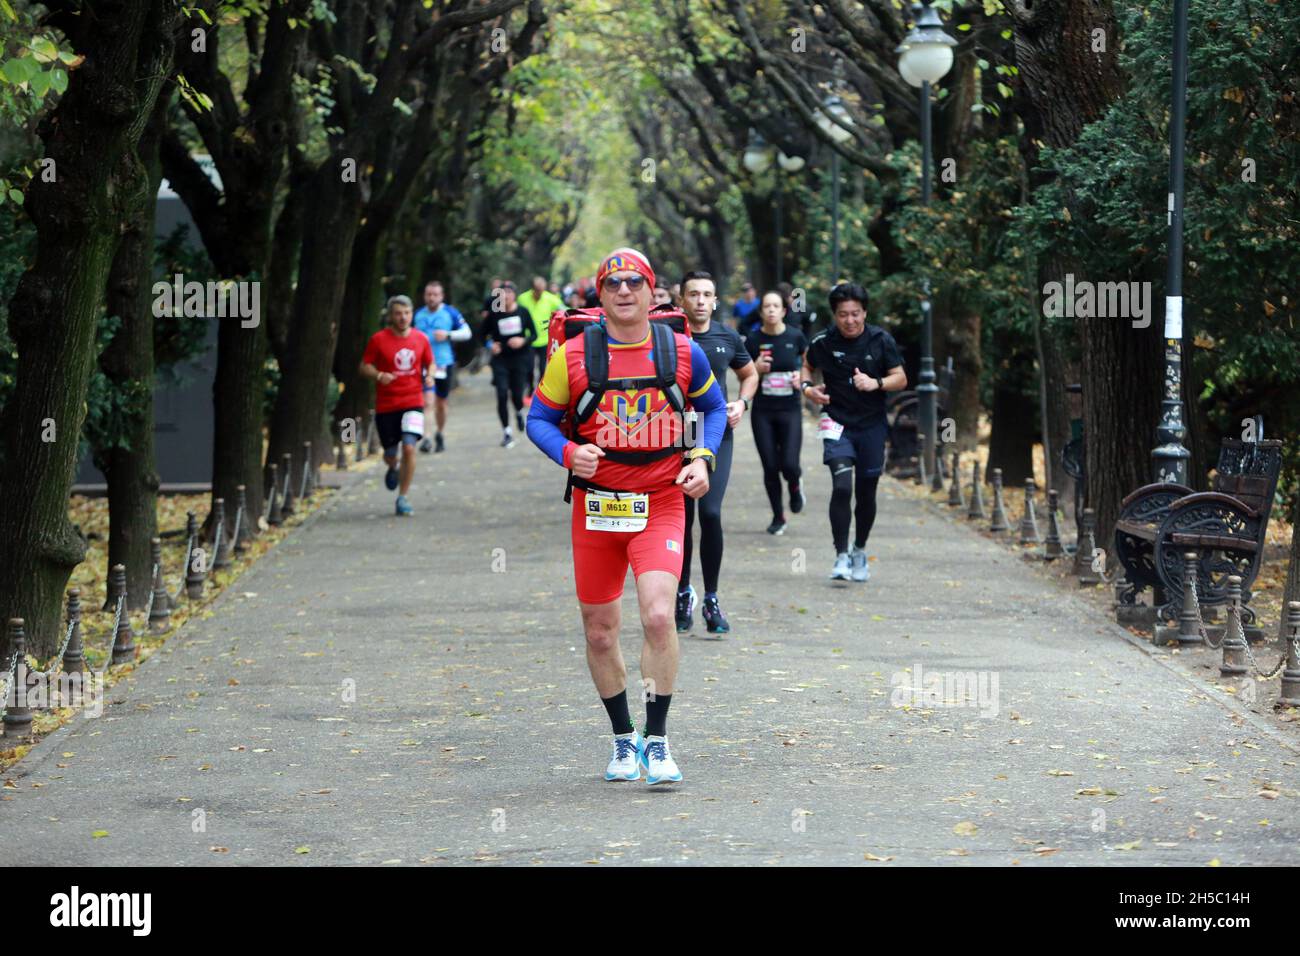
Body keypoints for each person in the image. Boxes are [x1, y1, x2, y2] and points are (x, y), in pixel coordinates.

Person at [526, 247, 725, 785]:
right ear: (601, 292)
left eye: (634, 282)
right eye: (613, 283)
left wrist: (702, 457)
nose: (623, 291)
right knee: (599, 631)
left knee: (659, 616)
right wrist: (569, 454)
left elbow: (712, 407)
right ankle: (622, 738)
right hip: (596, 507)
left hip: (661, 500)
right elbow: (538, 420)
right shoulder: (571, 356)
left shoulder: (682, 351)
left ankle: (657, 742)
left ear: (651, 289)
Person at [801, 282, 906, 581]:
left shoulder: (880, 340)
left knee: (866, 492)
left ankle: (860, 549)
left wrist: (877, 383)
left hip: (872, 426)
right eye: (843, 314)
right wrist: (809, 390)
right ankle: (841, 555)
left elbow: (900, 377)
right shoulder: (823, 341)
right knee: (842, 487)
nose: (850, 321)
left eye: (856, 314)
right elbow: (806, 367)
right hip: (837, 423)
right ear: (834, 315)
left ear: (865, 313)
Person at [675, 269, 756, 635]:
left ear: (716, 301)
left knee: (709, 512)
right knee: (680, 518)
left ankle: (711, 597)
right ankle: (681, 592)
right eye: (693, 294)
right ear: (682, 300)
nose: (701, 301)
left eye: (707, 294)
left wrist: (742, 404)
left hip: (715, 433)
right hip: (675, 437)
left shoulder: (727, 335)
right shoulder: (668, 335)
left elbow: (749, 374)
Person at [360, 295, 435, 516]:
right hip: (387, 405)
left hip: (413, 401)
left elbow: (430, 363)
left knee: (410, 447)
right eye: (398, 313)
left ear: (412, 314)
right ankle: (392, 466)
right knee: (391, 454)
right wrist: (379, 374)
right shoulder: (378, 340)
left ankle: (403, 497)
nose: (402, 318)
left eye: (406, 313)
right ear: (391, 316)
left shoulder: (421, 339)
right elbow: (364, 367)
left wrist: (429, 376)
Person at [746, 290, 808, 535]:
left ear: (784, 310)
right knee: (770, 466)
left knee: (790, 464)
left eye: (776, 306)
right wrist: (756, 369)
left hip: (790, 409)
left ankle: (794, 485)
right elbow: (744, 374)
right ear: (761, 312)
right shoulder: (753, 340)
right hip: (763, 412)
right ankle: (778, 516)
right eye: (767, 306)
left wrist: (800, 378)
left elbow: (809, 365)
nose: (771, 310)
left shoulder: (796, 336)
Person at [413, 280, 471, 453]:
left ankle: (440, 432)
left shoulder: (450, 313)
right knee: (427, 401)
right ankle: (426, 438)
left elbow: (467, 333)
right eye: (428, 294)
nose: (431, 298)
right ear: (424, 296)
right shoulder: (417, 315)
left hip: (443, 363)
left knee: (441, 403)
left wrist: (448, 335)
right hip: (422, 365)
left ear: (441, 296)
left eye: (435, 294)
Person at [480, 280, 535, 447]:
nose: (506, 297)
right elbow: (481, 335)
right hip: (500, 360)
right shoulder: (494, 313)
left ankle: (518, 411)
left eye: (509, 293)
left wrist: (522, 340)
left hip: (519, 358)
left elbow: (533, 334)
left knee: (517, 395)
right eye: (502, 294)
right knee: (502, 394)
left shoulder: (523, 312)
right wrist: (491, 345)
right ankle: (507, 432)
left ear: (514, 295)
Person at [517, 275, 565, 400]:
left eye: (541, 290)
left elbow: (564, 310)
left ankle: (540, 390)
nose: (539, 293)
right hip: (530, 339)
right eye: (537, 290)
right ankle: (530, 387)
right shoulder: (522, 298)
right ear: (532, 289)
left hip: (545, 339)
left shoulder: (551, 298)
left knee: (544, 368)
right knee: (529, 368)